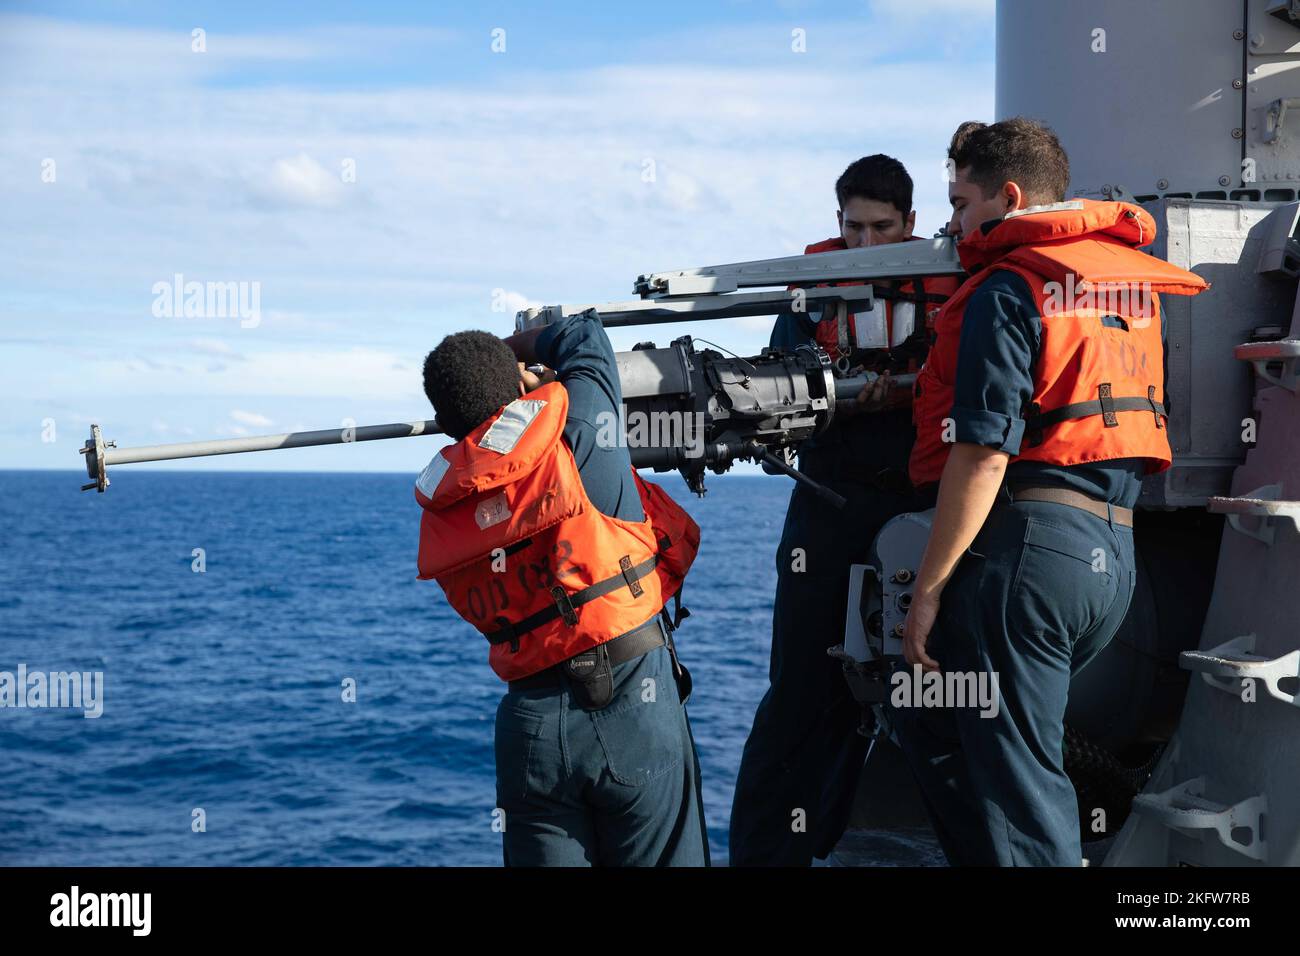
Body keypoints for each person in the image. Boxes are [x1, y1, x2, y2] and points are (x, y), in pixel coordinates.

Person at [895, 118, 1207, 866]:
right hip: (1113, 556)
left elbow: (982, 454)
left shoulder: (1009, 287)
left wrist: (929, 590)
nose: (955, 222)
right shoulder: (1126, 286)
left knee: (1022, 788)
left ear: (1006, 196)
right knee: (930, 717)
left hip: (1030, 555)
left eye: (962, 203)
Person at [414, 309, 710, 866]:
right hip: (632, 700)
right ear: (521, 384)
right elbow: (584, 335)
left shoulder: (452, 507)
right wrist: (515, 352)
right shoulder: (581, 438)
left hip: (530, 732)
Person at [729, 154, 957, 866]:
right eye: (852, 227)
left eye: (881, 227)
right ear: (837, 223)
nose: (864, 243)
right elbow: (773, 395)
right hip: (828, 509)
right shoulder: (809, 296)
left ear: (911, 224)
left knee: (933, 694)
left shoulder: (950, 287)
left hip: (922, 510)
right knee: (801, 692)